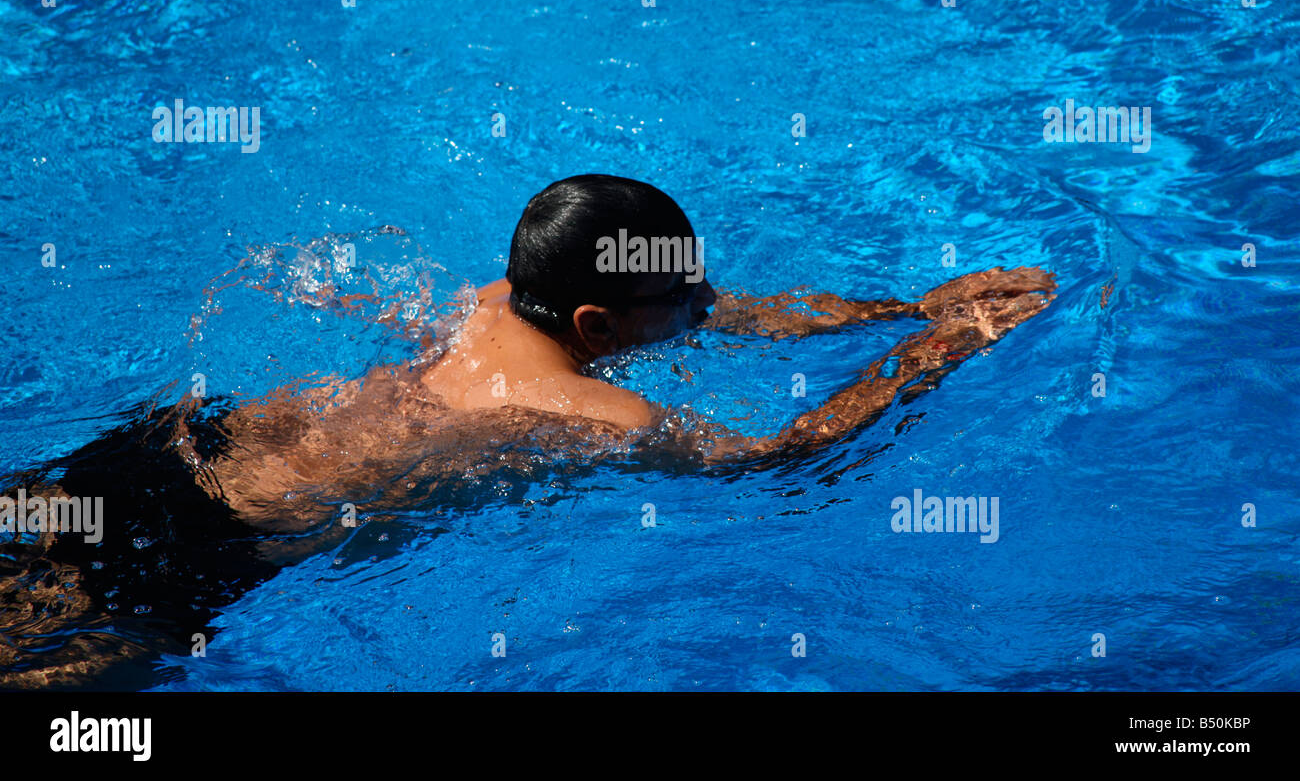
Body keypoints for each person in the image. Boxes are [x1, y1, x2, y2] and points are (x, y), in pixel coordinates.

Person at [0, 174, 1056, 687]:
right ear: (597, 325)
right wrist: (930, 356)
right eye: (679, 298)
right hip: (201, 554)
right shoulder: (595, 413)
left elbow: (713, 303)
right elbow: (781, 462)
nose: (704, 306)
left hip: (163, 448)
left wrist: (897, 303)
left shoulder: (493, 296)